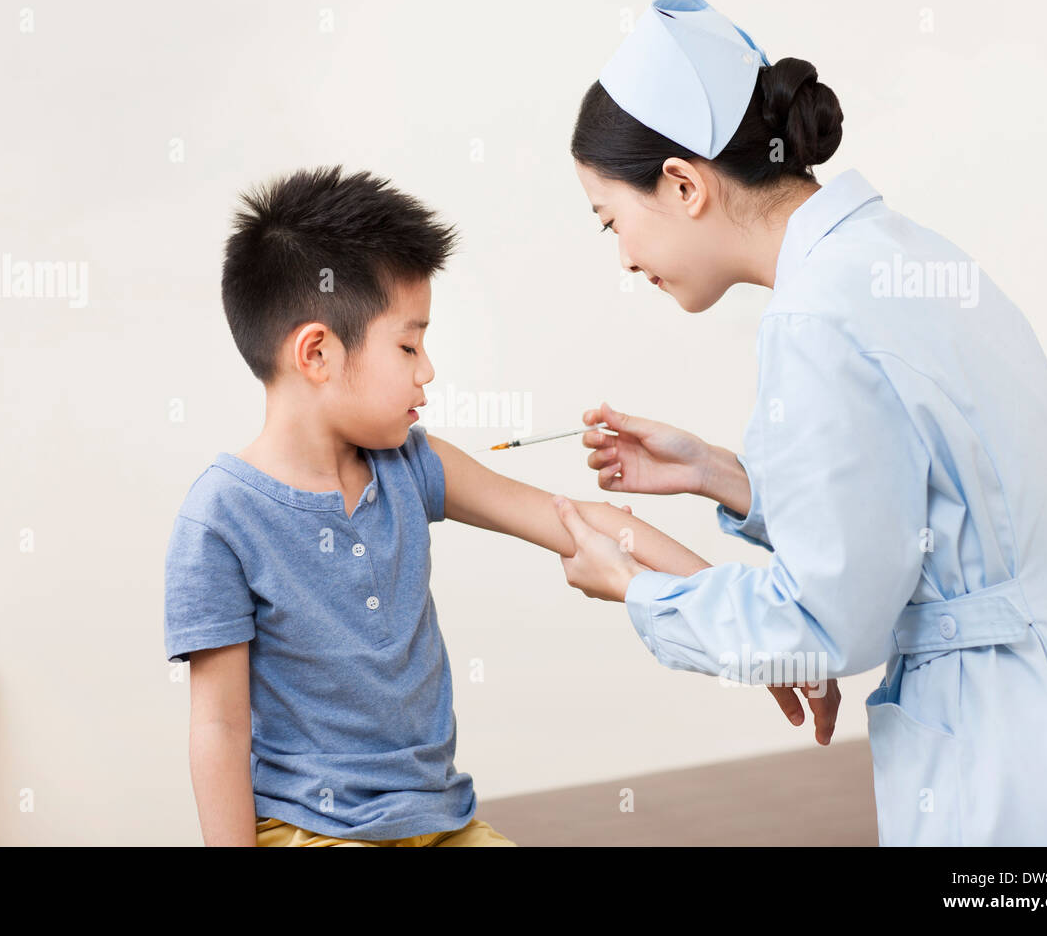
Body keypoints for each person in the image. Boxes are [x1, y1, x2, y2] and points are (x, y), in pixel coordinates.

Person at [550, 0, 1047, 845]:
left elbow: (823, 623)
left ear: (682, 183)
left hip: (1008, 771)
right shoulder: (905, 257)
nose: (627, 258)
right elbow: (936, 519)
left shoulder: (815, 316)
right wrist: (724, 476)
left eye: (612, 223)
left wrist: (639, 590)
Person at [162, 165, 726, 846]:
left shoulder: (410, 466)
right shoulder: (221, 518)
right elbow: (217, 727)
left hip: (443, 826)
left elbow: (579, 522)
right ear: (316, 352)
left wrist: (738, 615)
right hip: (308, 832)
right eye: (408, 344)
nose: (426, 370)